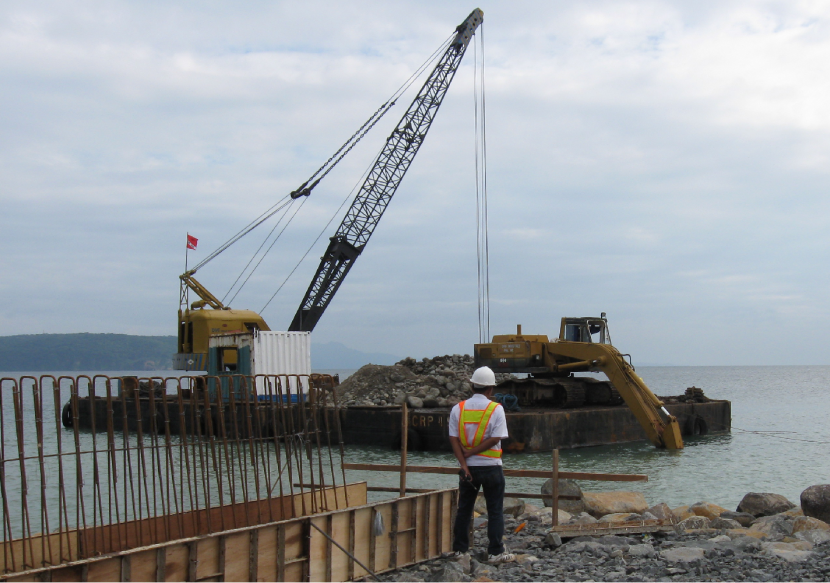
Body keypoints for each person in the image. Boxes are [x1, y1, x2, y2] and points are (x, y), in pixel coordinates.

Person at [447, 366, 515, 564]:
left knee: (464, 509)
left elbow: (453, 439)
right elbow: (495, 438)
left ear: (472, 386)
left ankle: (460, 550)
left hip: (468, 468)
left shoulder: (458, 409)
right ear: (490, 389)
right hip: (492, 467)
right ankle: (495, 552)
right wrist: (472, 452)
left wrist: (464, 464)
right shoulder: (496, 409)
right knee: (495, 510)